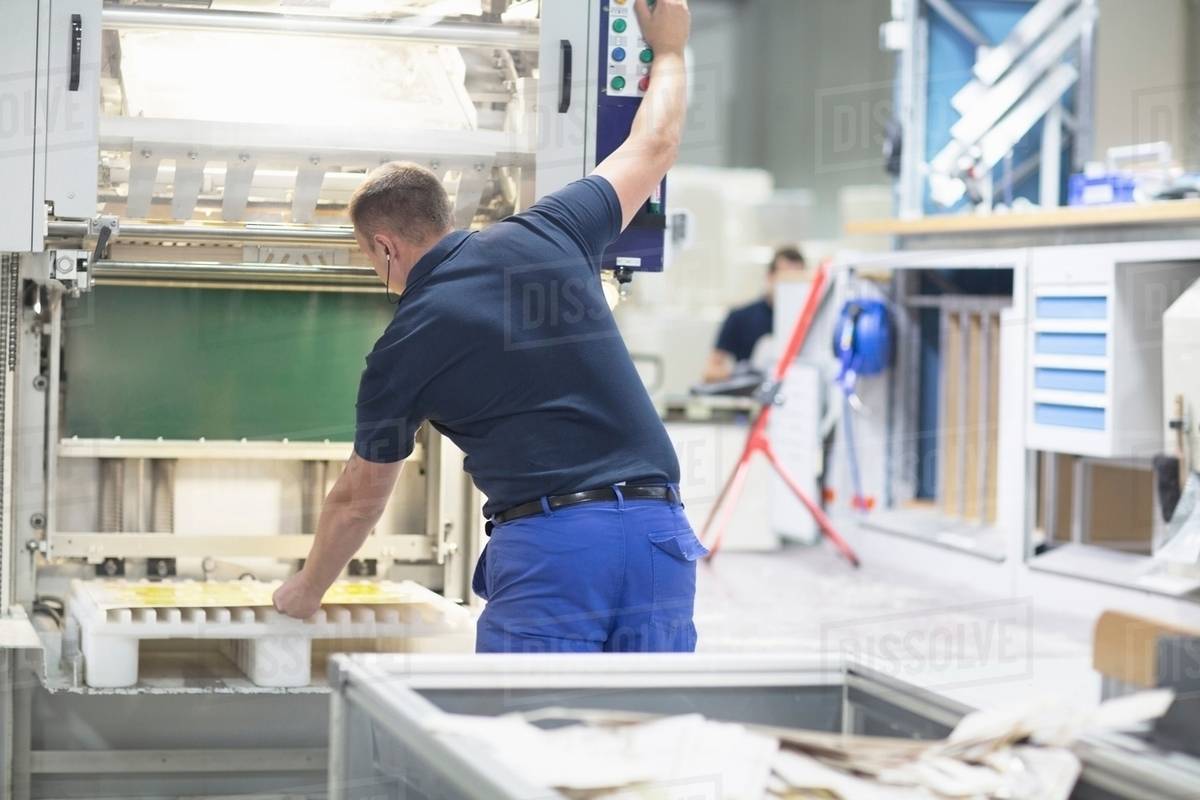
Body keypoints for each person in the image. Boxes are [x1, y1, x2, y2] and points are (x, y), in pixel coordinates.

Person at [273, 0, 705, 653]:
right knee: (645, 718)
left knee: (532, 721)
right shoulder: (554, 226)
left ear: (384, 246)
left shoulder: (403, 346)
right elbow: (655, 143)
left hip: (556, 549)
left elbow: (359, 500)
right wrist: (669, 50)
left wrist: (306, 591)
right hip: (658, 535)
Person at [702, 246, 807, 383]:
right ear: (770, 277)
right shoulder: (739, 317)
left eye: (796, 280)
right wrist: (742, 375)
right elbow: (710, 372)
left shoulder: (807, 323)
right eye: (785, 278)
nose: (790, 287)